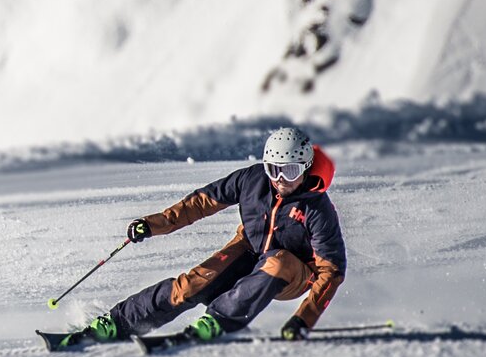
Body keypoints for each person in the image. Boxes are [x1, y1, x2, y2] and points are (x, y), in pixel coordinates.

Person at [87, 125, 346, 345]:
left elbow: (331, 270)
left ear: (305, 168)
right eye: (273, 169)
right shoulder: (252, 180)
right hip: (252, 251)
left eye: (289, 171)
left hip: (294, 275)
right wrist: (152, 224)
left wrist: (303, 319)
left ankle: (218, 321)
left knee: (278, 261)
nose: (280, 180)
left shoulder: (317, 207)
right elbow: (201, 203)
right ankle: (119, 322)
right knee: (194, 284)